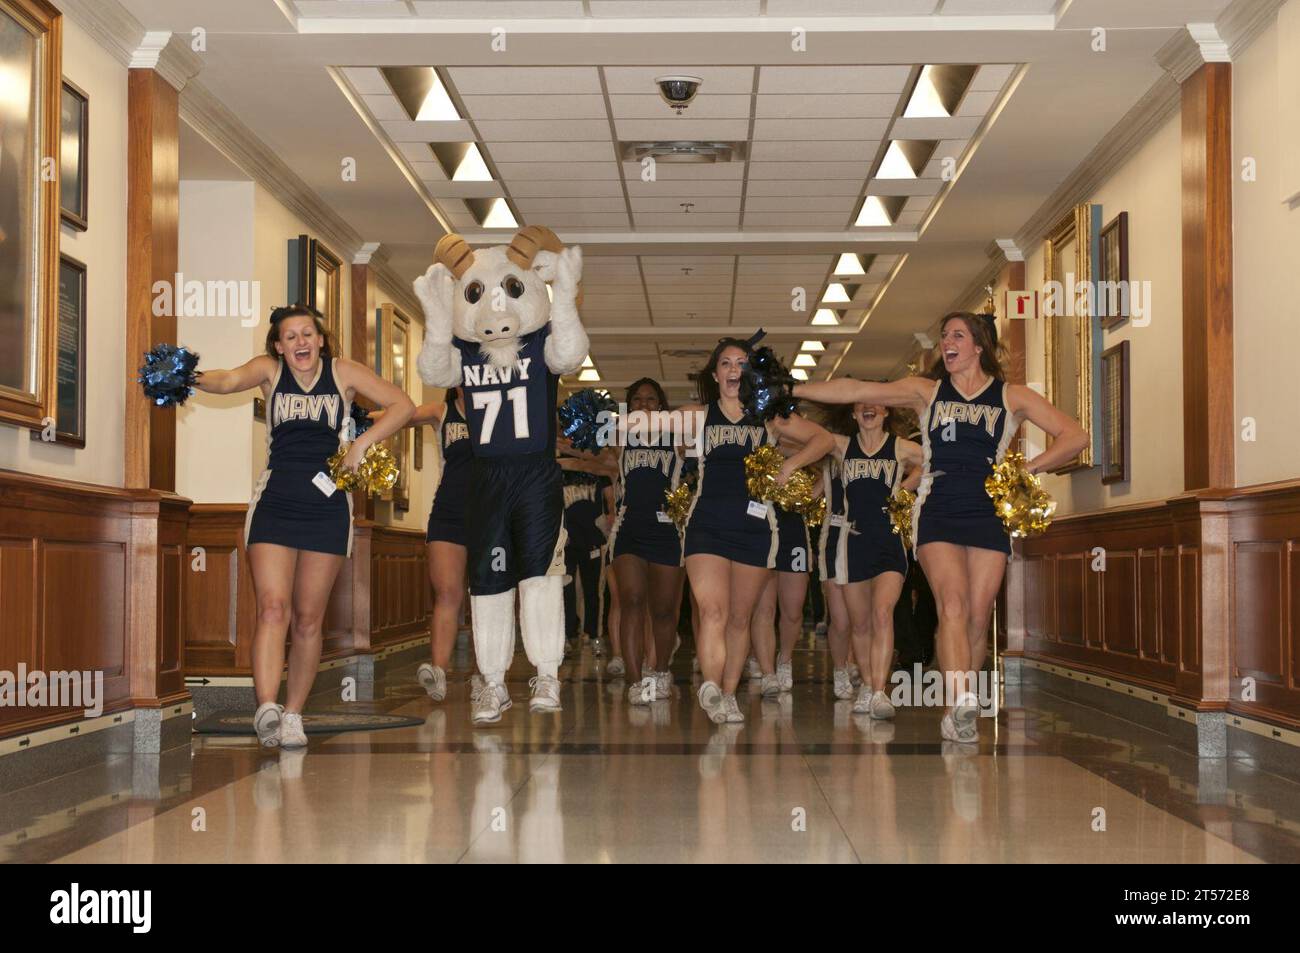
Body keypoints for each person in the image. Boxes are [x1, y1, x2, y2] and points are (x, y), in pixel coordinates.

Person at [794, 311, 1088, 742]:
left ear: (978, 346)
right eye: (943, 335)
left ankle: (955, 711)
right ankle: (963, 697)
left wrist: (1025, 469)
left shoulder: (1012, 396)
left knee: (975, 613)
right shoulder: (926, 392)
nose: (947, 342)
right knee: (950, 603)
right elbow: (859, 389)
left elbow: (1075, 435)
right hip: (939, 508)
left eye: (957, 335)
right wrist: (793, 388)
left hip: (988, 511)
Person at [195, 305, 414, 748]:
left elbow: (403, 405)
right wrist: (187, 375)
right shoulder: (269, 371)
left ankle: (294, 714)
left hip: (328, 506)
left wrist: (360, 445)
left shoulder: (344, 373)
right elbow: (226, 380)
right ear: (279, 345)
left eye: (307, 334)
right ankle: (267, 708)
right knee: (273, 608)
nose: (300, 342)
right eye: (290, 336)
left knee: (310, 619)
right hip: (275, 503)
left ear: (320, 339)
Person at [677, 338, 834, 725]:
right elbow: (667, 440)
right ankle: (712, 685)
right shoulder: (696, 415)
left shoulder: (768, 417)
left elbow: (824, 440)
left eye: (741, 363)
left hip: (756, 528)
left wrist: (789, 466)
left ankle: (728, 695)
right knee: (712, 609)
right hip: (706, 525)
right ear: (715, 375)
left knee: (739, 618)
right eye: (726, 363)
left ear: (750, 373)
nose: (734, 370)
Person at [833, 396, 922, 717]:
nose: (869, 409)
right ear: (854, 413)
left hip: (889, 541)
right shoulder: (842, 445)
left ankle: (878, 692)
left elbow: (936, 461)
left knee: (883, 613)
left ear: (886, 410)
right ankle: (868, 686)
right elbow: (800, 435)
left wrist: (906, 488)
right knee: (860, 624)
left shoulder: (900, 447)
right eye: (861, 405)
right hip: (853, 542)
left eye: (876, 404)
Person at [608, 378, 686, 705]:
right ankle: (635, 681)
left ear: (661, 404)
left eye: (651, 399)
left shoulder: (677, 436)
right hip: (629, 527)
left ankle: (660, 671)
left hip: (667, 529)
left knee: (665, 610)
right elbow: (590, 444)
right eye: (637, 399)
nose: (644, 404)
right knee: (632, 601)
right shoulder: (620, 437)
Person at [390, 387, 471, 702]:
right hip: (448, 513)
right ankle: (438, 671)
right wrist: (356, 416)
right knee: (448, 593)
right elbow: (401, 415)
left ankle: (489, 675)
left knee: (486, 598)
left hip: (491, 516)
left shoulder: (499, 412)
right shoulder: (442, 412)